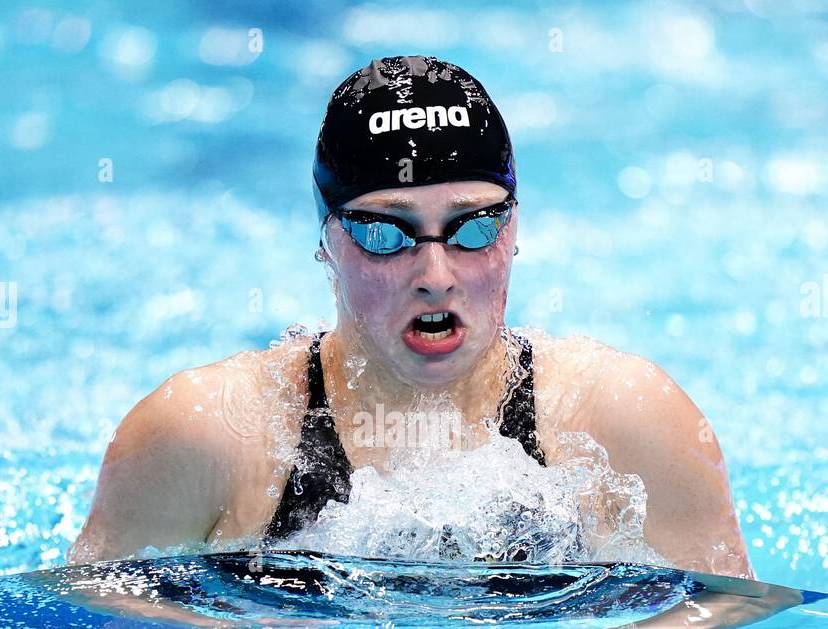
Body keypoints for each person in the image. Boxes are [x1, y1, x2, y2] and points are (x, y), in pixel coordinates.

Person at [68, 55, 755, 580]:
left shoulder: (634, 425)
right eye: (386, 235)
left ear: (514, 230)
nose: (435, 276)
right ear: (327, 239)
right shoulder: (204, 438)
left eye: (473, 230)